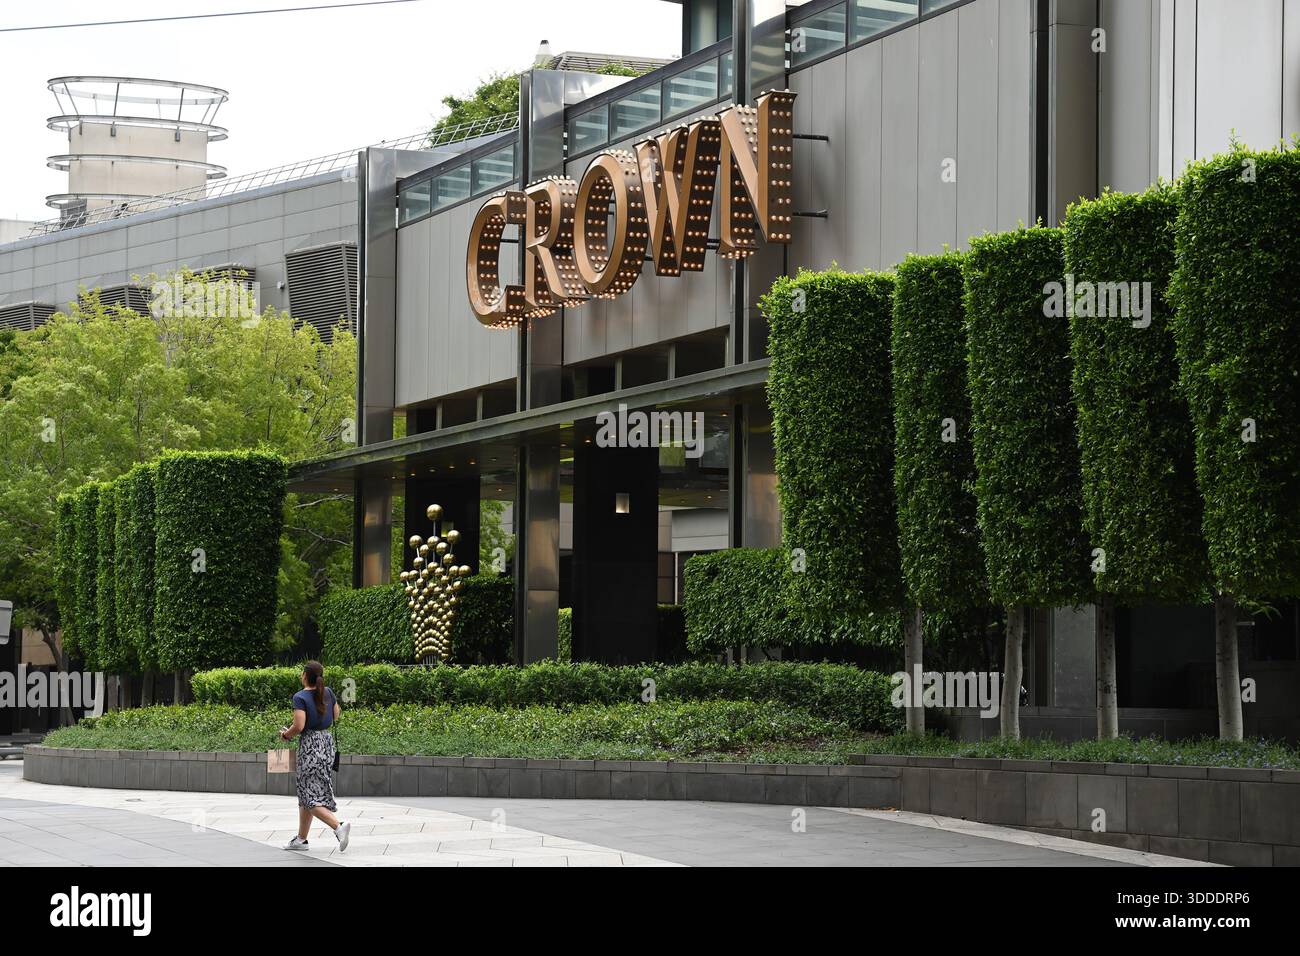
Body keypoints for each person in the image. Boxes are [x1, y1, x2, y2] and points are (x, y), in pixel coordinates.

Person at [279, 660, 350, 852]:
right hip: (327, 744)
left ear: (304, 676)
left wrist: (286, 734)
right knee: (306, 792)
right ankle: (301, 840)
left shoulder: (300, 697)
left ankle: (338, 827)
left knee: (309, 795)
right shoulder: (327, 692)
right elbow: (336, 716)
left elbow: (299, 726)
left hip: (310, 747)